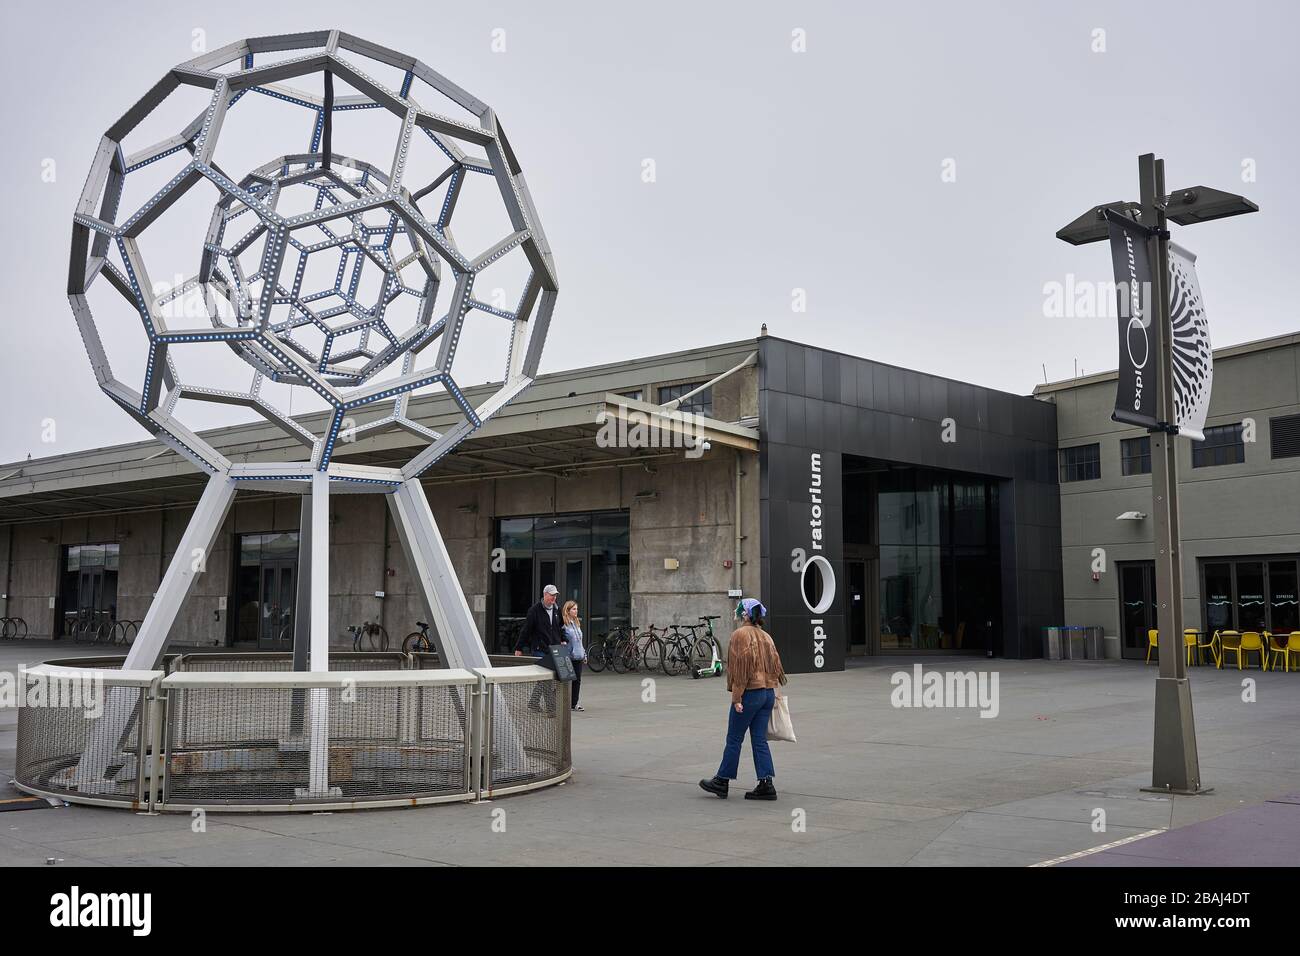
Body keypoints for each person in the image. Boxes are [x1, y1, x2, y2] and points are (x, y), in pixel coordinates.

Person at [699, 598, 786, 801]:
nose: (738, 615)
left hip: (750, 693)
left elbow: (741, 670)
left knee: (734, 739)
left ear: (745, 615)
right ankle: (766, 783)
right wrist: (774, 691)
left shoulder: (740, 635)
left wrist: (737, 698)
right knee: (759, 739)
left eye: (740, 612)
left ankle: (722, 781)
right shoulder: (766, 636)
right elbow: (776, 667)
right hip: (767, 693)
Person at [514, 584, 567, 713]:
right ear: (545, 595)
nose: (554, 598)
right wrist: (519, 647)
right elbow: (526, 630)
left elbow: (559, 627)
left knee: (548, 678)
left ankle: (533, 702)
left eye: (555, 595)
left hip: (554, 649)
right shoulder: (535, 610)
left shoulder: (556, 610)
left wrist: (563, 639)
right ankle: (551, 709)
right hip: (540, 649)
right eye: (552, 595)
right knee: (547, 679)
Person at [561, 600, 586, 712]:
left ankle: (574, 703)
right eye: (574, 609)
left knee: (577, 681)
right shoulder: (564, 625)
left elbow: (579, 641)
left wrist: (584, 654)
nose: (576, 611)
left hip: (578, 656)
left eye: (576, 609)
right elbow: (562, 640)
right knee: (565, 681)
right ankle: (563, 703)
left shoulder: (577, 623)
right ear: (568, 610)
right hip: (569, 657)